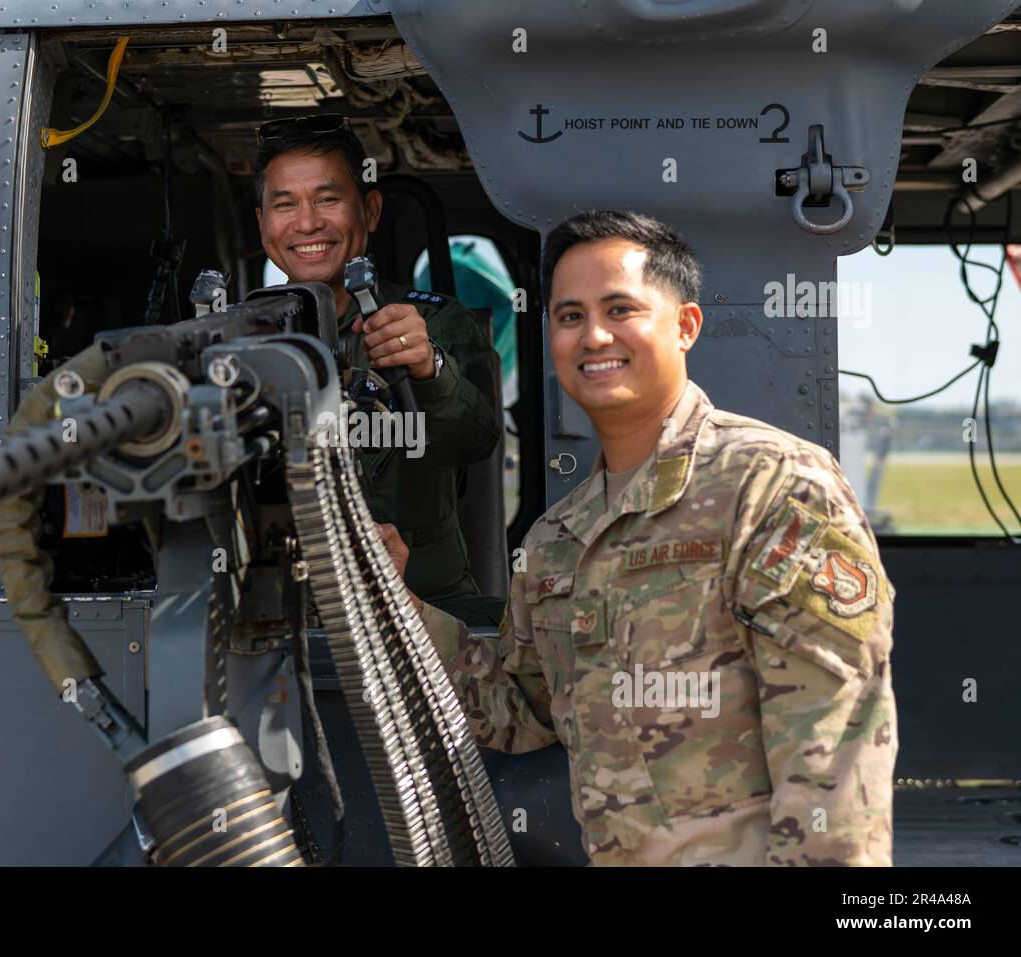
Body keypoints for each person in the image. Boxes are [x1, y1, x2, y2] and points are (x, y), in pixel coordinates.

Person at [381, 209, 898, 866]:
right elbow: (516, 713)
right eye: (569, 317)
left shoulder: (770, 485)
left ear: (685, 326)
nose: (593, 335)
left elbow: (836, 741)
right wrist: (396, 596)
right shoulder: (556, 540)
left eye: (620, 309)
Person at [255, 114, 502, 623]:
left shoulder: (435, 321)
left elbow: (474, 443)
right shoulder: (236, 342)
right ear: (263, 225)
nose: (307, 223)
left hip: (431, 606)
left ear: (369, 209)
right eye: (285, 205)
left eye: (327, 199)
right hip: (288, 616)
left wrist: (430, 368)